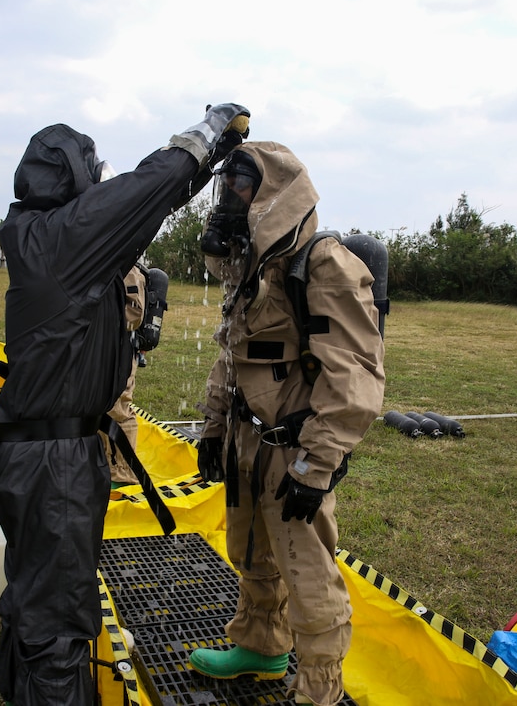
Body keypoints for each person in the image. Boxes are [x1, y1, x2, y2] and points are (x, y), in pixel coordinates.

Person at [0, 103, 250, 705]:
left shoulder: (47, 236)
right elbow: (145, 188)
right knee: (57, 624)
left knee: (37, 601)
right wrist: (206, 136)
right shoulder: (62, 240)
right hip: (53, 465)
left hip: (45, 451)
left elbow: (142, 206)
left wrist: (202, 166)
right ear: (74, 177)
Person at [190, 142, 386, 706]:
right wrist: (213, 427)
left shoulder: (322, 264)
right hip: (248, 438)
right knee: (250, 549)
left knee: (306, 569)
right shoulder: (249, 266)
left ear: (275, 194)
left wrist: (317, 465)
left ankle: (320, 689)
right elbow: (232, 352)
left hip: (298, 446)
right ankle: (260, 644)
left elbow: (355, 377)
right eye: (227, 188)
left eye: (241, 187)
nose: (231, 199)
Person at [106, 262, 148, 487]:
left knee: (118, 408)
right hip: (100, 349)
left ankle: (123, 472)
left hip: (120, 349)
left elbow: (134, 315)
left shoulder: (129, 269)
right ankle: (103, 463)